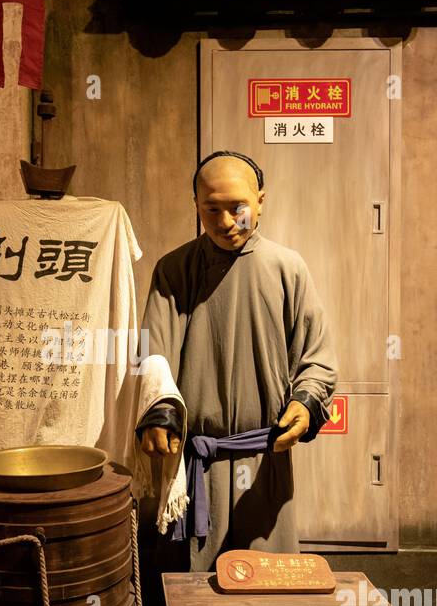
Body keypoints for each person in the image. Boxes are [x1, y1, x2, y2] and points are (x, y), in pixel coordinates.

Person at [138, 150, 338, 573]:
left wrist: (303, 403)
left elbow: (317, 360)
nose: (227, 222)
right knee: (188, 593)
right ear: (196, 205)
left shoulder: (288, 269)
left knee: (264, 584)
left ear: (261, 201)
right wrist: (158, 413)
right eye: (213, 210)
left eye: (238, 208)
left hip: (264, 462)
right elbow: (154, 357)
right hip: (193, 467)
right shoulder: (174, 271)